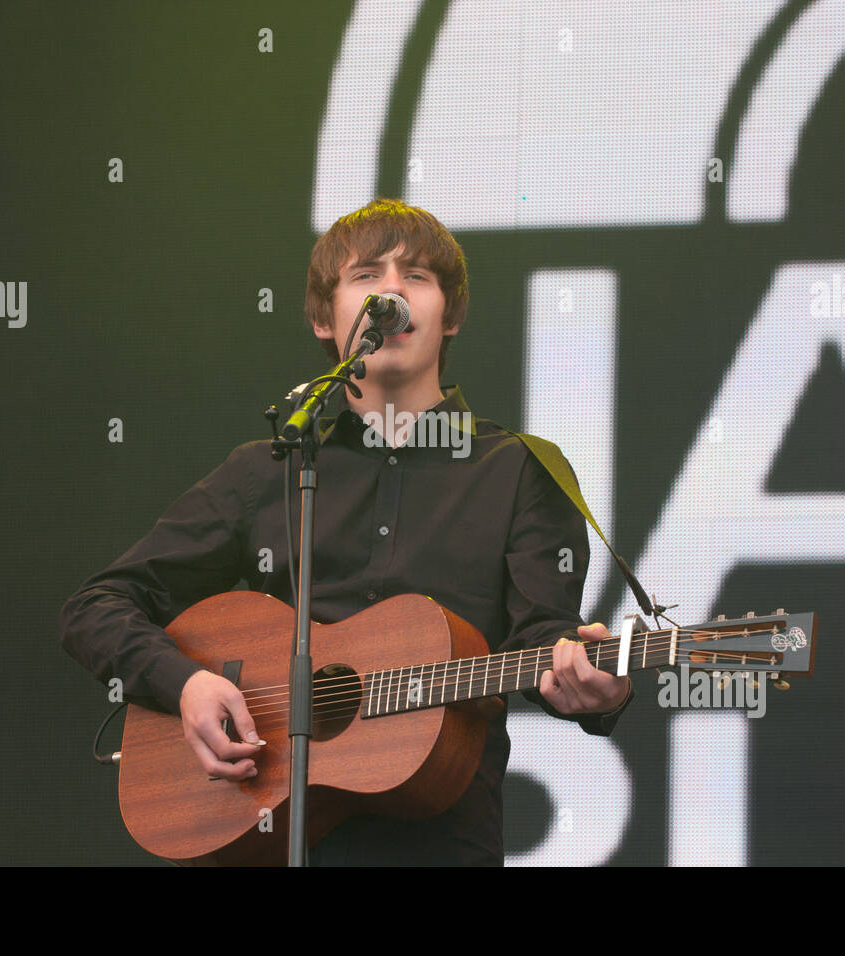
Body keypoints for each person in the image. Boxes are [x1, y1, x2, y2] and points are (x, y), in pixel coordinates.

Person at [59, 198, 631, 865]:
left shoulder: (521, 472)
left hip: (441, 841)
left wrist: (595, 685)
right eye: (367, 275)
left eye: (416, 276)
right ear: (322, 319)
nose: (391, 289)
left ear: (450, 317)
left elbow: (543, 641)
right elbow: (93, 607)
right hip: (264, 835)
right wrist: (184, 683)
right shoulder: (270, 468)